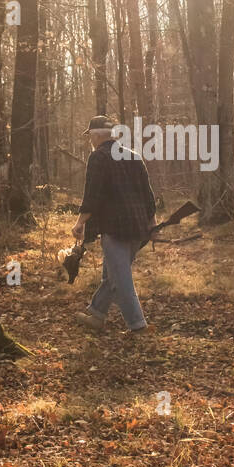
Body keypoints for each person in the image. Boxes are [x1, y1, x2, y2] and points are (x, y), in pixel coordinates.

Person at [72, 115, 158, 334]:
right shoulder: (134, 156)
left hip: (115, 228)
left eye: (90, 136)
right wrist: (152, 224)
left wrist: (80, 222)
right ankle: (97, 314)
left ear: (97, 135)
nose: (90, 140)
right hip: (138, 227)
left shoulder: (98, 158)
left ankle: (138, 325)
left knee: (121, 280)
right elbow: (148, 196)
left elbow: (92, 195)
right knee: (113, 275)